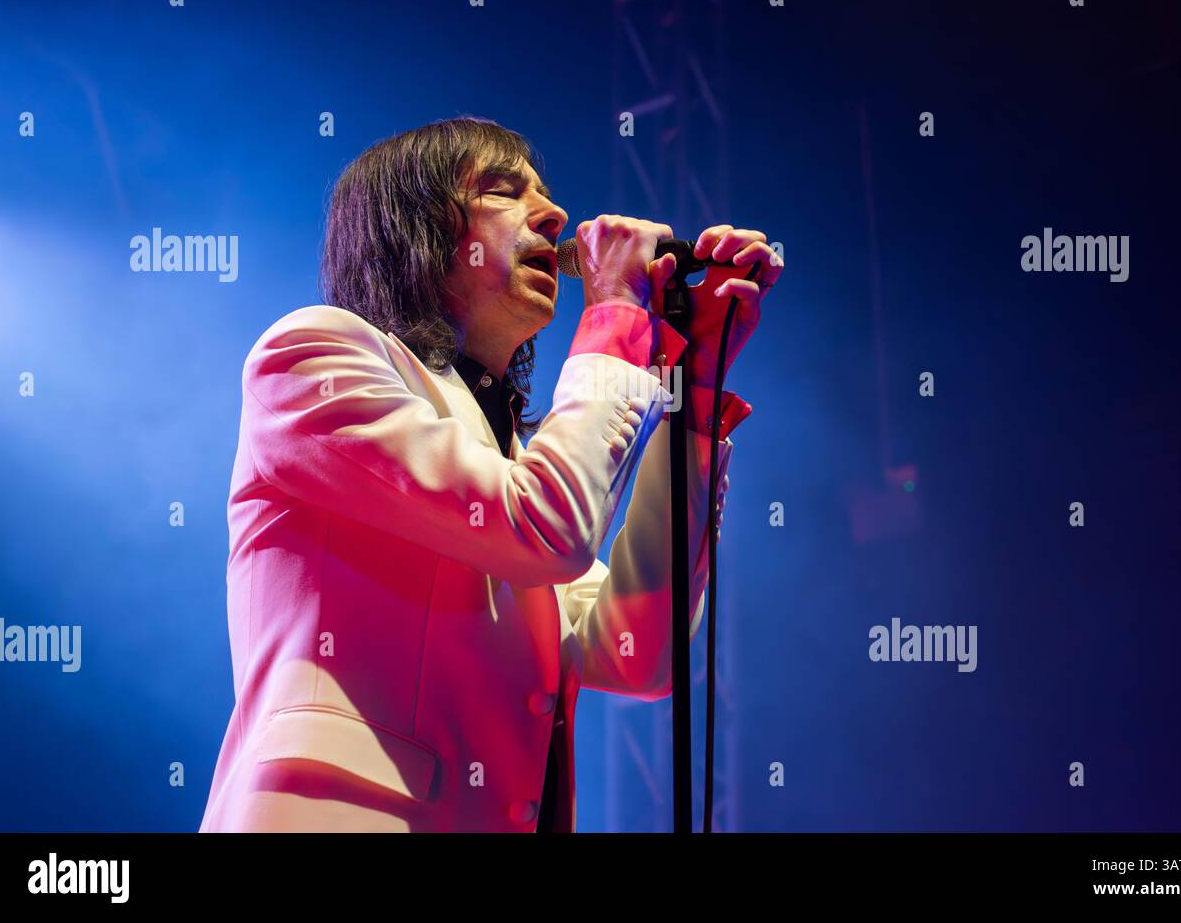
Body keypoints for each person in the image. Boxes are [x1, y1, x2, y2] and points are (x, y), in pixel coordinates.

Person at [198, 117, 780, 832]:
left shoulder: (503, 461)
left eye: (545, 191)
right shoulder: (310, 356)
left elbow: (640, 649)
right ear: (418, 230)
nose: (556, 213)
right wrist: (614, 322)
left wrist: (688, 388)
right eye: (505, 191)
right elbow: (544, 526)